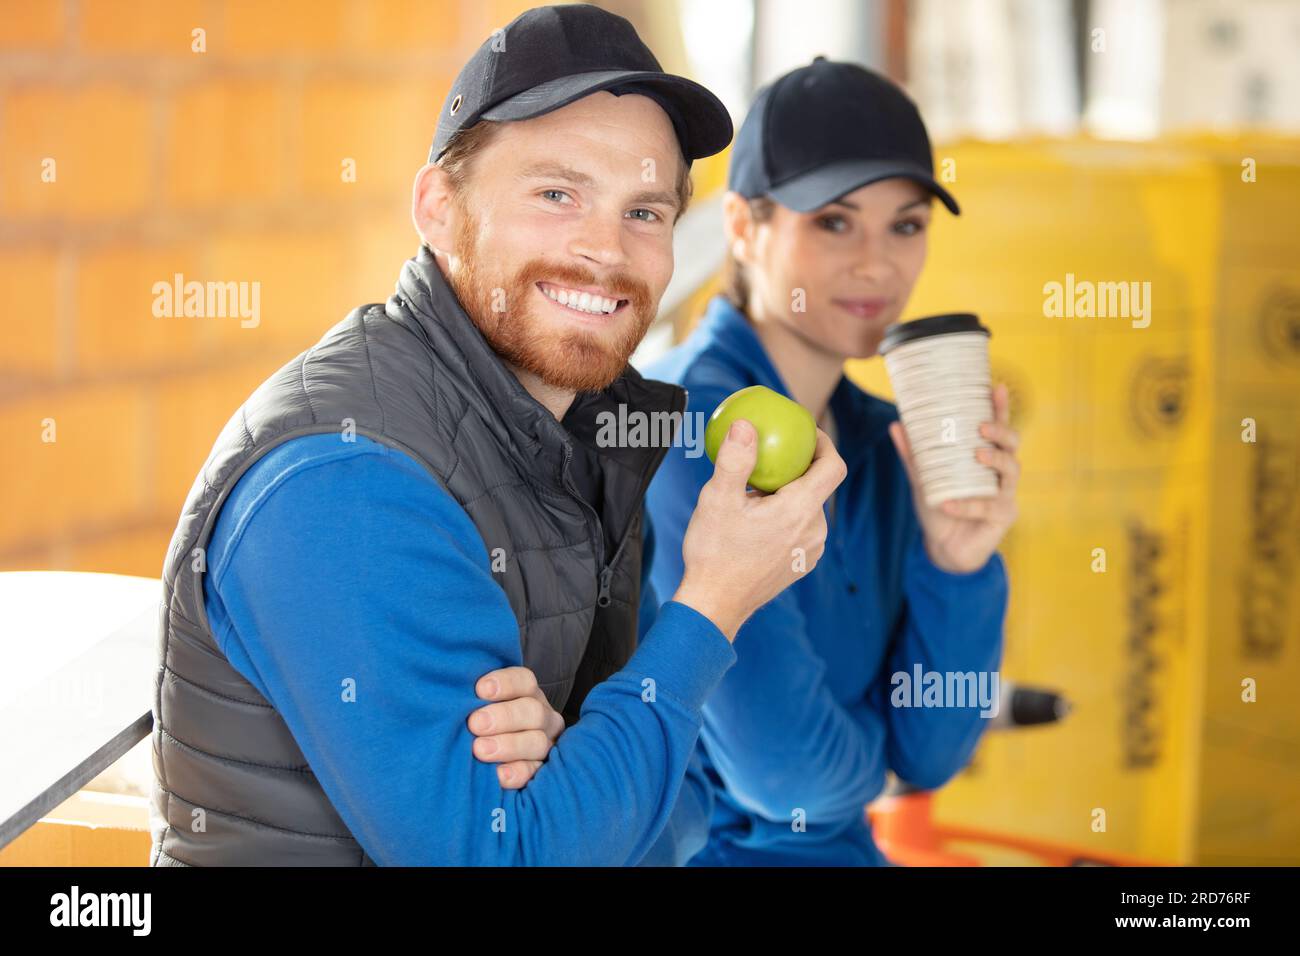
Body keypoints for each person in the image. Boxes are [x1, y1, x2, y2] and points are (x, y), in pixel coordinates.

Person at [148, 5, 845, 867]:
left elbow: (679, 815)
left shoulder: (590, 438)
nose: (604, 251)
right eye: (557, 194)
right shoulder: (344, 478)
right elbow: (517, 856)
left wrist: (578, 766)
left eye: (645, 211)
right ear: (438, 207)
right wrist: (715, 603)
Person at [643, 57, 1019, 866]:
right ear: (743, 228)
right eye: (835, 222)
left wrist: (960, 567)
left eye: (906, 225)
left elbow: (931, 757)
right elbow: (790, 783)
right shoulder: (683, 427)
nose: (877, 265)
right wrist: (873, 763)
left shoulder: (889, 445)